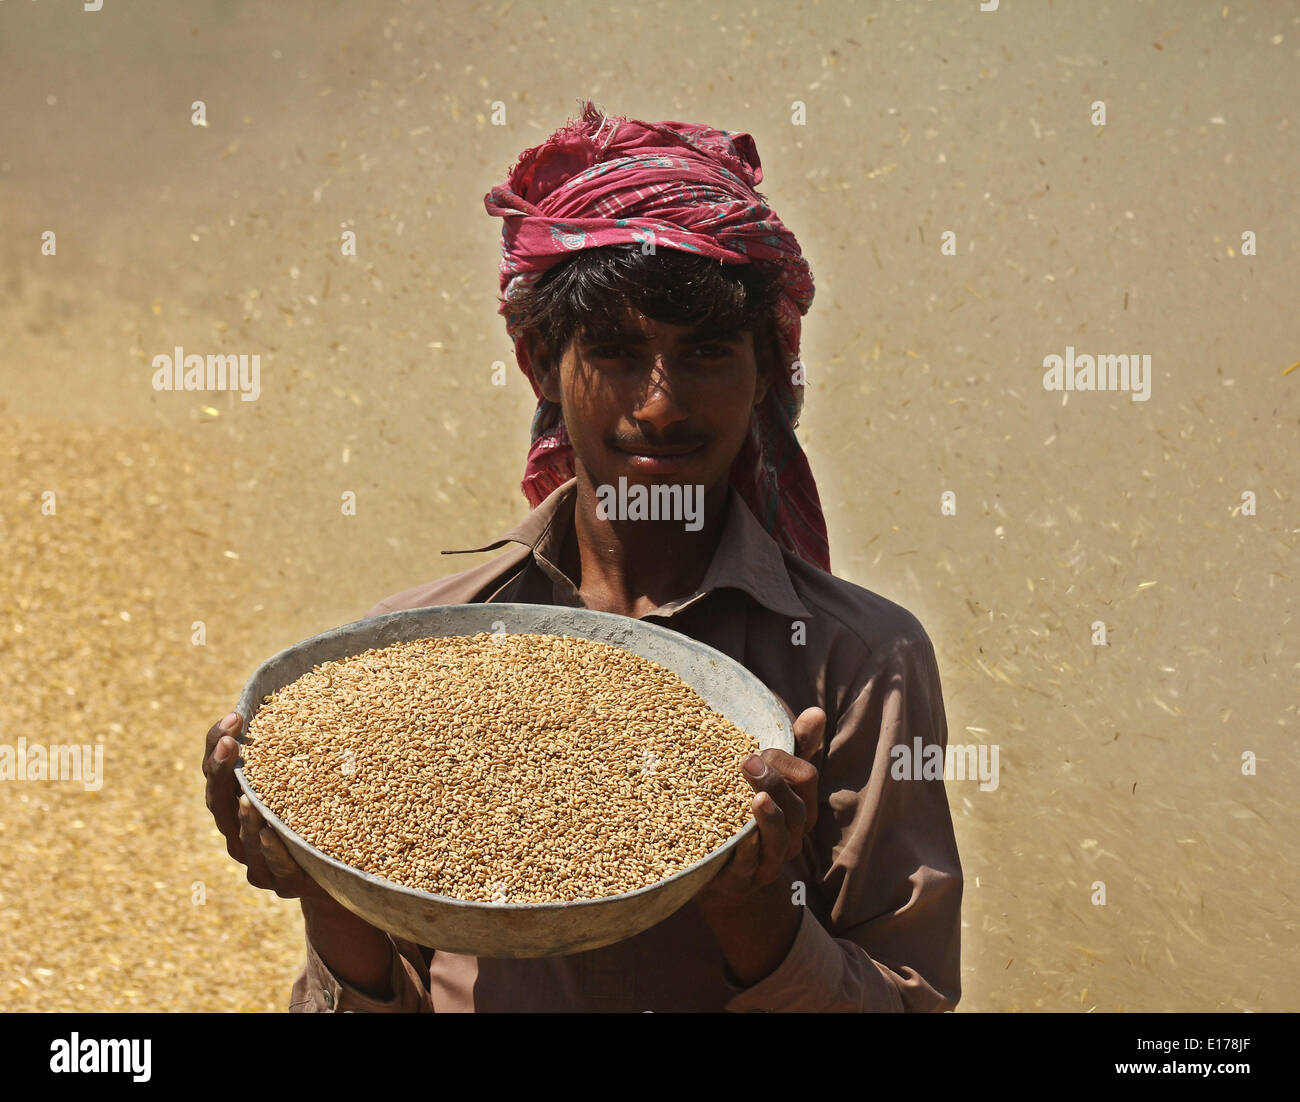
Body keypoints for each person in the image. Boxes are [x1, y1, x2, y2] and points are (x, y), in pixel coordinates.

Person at [202, 101, 963, 1012]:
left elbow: (910, 998)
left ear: (766, 369)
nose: (661, 405)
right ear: (541, 364)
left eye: (706, 353)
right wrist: (324, 878)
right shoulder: (413, 654)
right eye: (615, 352)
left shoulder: (861, 662)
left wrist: (754, 907)